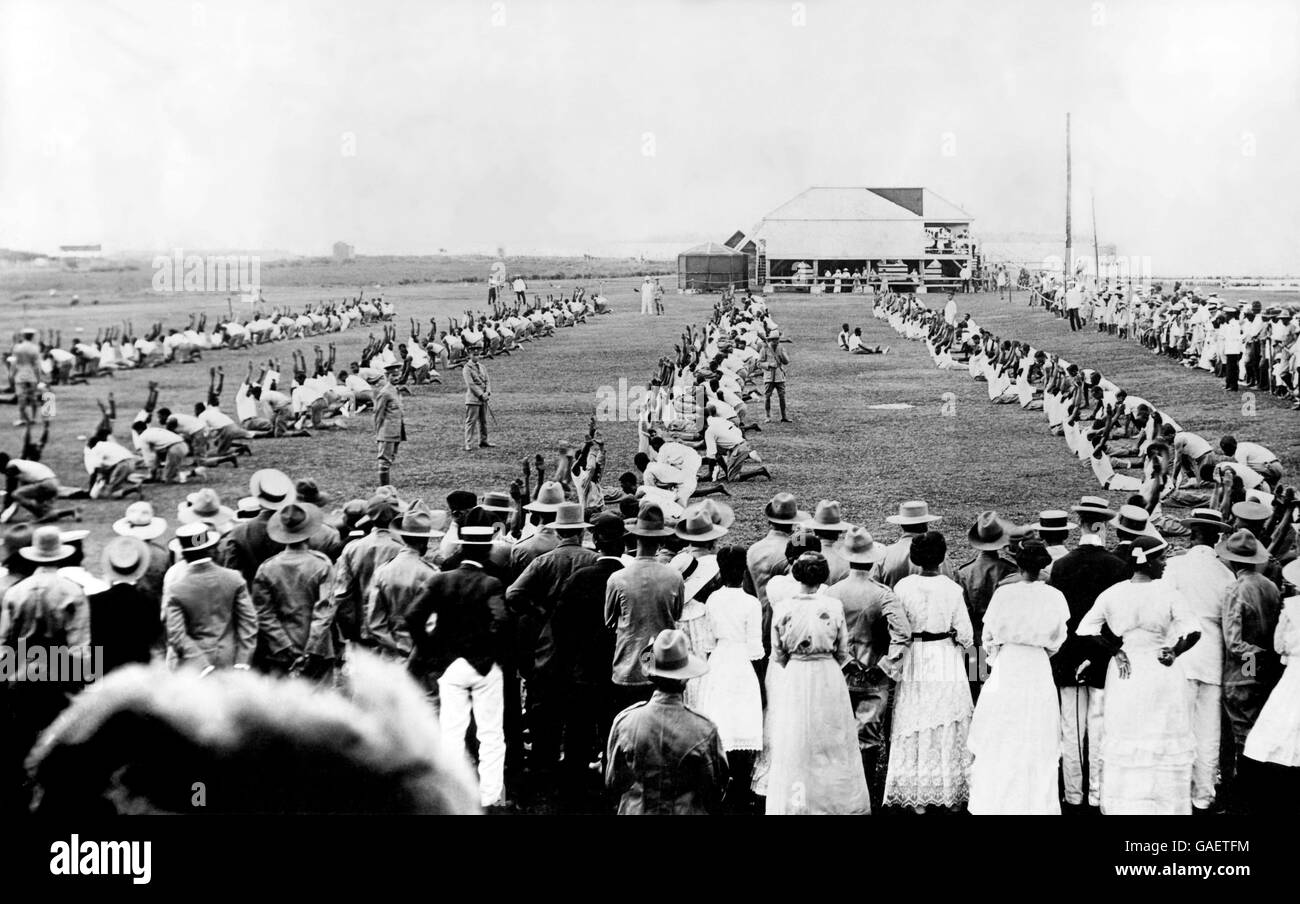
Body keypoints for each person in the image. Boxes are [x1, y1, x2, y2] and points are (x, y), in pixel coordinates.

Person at [1077, 534, 1201, 814]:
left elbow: (1086, 629)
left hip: (1127, 672)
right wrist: (1175, 650)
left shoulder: (1113, 593)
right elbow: (1193, 630)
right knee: (1158, 731)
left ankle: (1128, 803)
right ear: (1148, 563)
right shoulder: (1168, 593)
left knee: (1130, 730)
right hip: (1159, 670)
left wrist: (1115, 650)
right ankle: (1162, 803)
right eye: (1161, 558)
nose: (1165, 564)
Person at [404, 523, 511, 809]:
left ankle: (450, 792)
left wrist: (431, 651)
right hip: (484, 666)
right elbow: (501, 621)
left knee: (451, 730)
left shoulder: (441, 580)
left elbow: (413, 616)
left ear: (461, 547)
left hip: (449, 665)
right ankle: (490, 796)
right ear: (488, 548)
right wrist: (491, 651)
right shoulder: (491, 583)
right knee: (490, 734)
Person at [967, 540, 1070, 814]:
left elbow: (987, 636)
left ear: (1018, 564)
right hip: (1036, 664)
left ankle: (1000, 798)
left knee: (1004, 728)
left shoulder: (1004, 594)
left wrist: (995, 658)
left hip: (1009, 663)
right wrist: (1039, 652)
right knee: (1034, 729)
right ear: (1043, 566)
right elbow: (1059, 638)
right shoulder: (1054, 596)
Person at [765, 551, 872, 815]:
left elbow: (777, 653)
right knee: (831, 738)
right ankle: (832, 803)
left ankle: (798, 803)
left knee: (795, 737)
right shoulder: (833, 606)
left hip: (795, 675)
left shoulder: (783, 608)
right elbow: (843, 651)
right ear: (823, 576)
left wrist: (799, 659)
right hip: (827, 675)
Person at [882, 530, 974, 812]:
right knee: (947, 718)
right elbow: (967, 635)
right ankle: (950, 790)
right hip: (944, 653)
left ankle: (918, 793)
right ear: (943, 556)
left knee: (915, 717)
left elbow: (896, 628)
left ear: (914, 558)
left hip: (915, 655)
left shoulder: (903, 588)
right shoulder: (952, 589)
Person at [1047, 495, 1127, 812]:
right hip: (1102, 658)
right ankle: (1097, 792)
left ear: (1080, 525)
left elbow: (1060, 617)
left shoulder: (1061, 567)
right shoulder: (1117, 567)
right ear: (1098, 526)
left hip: (1068, 656)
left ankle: (1073, 794)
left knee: (1071, 727)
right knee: (1099, 727)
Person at [822, 527, 910, 809]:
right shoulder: (883, 594)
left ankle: (839, 794)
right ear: (872, 560)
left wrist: (846, 662)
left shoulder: (833, 592)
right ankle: (865, 797)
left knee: (838, 735)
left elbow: (827, 634)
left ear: (848, 559)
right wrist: (885, 665)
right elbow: (902, 634)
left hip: (841, 674)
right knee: (869, 740)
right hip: (875, 677)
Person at [604, 628, 727, 814]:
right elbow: (714, 789)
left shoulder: (625, 722)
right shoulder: (704, 729)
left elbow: (613, 782)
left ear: (651, 674)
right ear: (685, 679)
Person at [549, 512, 626, 806]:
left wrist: (571, 657)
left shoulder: (581, 578)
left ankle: (572, 791)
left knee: (578, 733)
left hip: (582, 668)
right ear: (623, 543)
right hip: (617, 667)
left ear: (596, 541)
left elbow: (560, 622)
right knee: (612, 731)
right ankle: (612, 790)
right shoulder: (626, 580)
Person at [1161, 507, 1235, 813]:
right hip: (1213, 655)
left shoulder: (1176, 566)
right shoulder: (1226, 573)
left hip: (1182, 652)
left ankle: (1176, 794)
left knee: (1178, 727)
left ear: (1192, 535)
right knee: (1208, 731)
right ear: (1216, 537)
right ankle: (1203, 795)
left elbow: (1163, 605)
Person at [1216, 527, 1283, 811]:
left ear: (1232, 561)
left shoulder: (1235, 589)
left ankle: (1242, 795)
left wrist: (1251, 666)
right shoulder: (1270, 586)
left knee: (1240, 731)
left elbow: (1235, 642)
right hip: (1268, 669)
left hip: (1244, 669)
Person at [694, 544, 764, 810]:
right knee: (743, 724)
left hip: (720, 661)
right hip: (742, 664)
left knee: (722, 721)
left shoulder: (713, 599)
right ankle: (740, 788)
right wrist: (760, 684)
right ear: (743, 570)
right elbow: (756, 649)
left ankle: (722, 783)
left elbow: (709, 640)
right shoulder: (750, 603)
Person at [605, 502, 685, 713]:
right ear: (661, 540)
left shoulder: (618, 577)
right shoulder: (674, 576)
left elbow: (609, 621)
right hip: (661, 668)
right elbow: (676, 614)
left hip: (627, 665)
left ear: (635, 537)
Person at [250, 502, 336, 679]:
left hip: (279, 652)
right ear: (309, 531)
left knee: (284, 702)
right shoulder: (322, 565)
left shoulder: (266, 568)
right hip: (319, 651)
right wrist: (310, 650)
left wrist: (285, 646)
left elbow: (263, 613)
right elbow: (324, 611)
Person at [1241, 559, 1300, 813]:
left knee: (1278, 722)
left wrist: (1250, 670)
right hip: (1258, 662)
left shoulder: (1292, 607)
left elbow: (1277, 647)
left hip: (1251, 663)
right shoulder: (1270, 587)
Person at [164, 523, 258, 672]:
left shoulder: (176, 590)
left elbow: (176, 634)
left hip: (194, 666)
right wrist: (243, 660)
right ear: (210, 549)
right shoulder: (234, 578)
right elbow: (248, 622)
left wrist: (202, 666)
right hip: (231, 659)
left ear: (184, 554)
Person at [89, 536, 163, 675]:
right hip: (139, 670)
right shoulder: (149, 601)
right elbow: (155, 635)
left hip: (106, 671)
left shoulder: (94, 601)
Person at [373, 360, 406, 486]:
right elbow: (378, 414)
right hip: (386, 431)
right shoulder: (385, 392)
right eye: (393, 375)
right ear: (387, 376)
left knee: (391, 458)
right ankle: (384, 488)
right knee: (384, 461)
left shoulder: (395, 390)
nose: (396, 378)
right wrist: (378, 434)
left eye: (398, 375)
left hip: (396, 430)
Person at [462, 348, 495, 451]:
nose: (477, 356)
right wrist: (481, 394)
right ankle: (468, 443)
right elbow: (470, 384)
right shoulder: (467, 368)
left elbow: (488, 381)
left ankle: (484, 441)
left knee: (483, 421)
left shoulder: (482, 367)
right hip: (473, 399)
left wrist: (487, 392)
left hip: (483, 399)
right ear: (469, 355)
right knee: (471, 421)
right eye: (474, 354)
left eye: (478, 354)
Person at [757, 331, 790, 423]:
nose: (776, 341)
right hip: (769, 376)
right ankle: (767, 416)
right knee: (767, 397)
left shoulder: (781, 348)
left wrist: (781, 354)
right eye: (774, 339)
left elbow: (786, 362)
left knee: (782, 396)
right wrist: (769, 365)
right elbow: (759, 363)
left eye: (777, 339)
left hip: (779, 376)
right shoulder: (764, 349)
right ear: (770, 340)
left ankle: (784, 416)